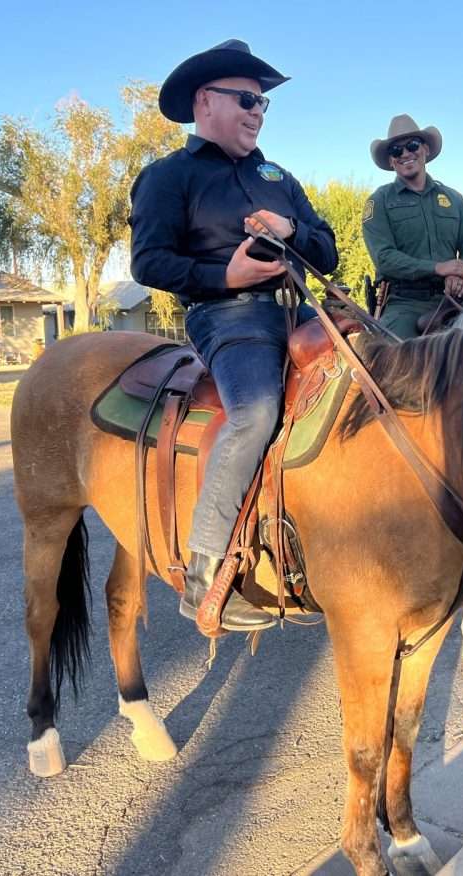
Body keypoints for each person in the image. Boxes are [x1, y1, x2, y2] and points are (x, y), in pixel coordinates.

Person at [129, 40, 339, 632]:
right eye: (247, 99)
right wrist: (225, 275)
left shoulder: (279, 177)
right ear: (205, 102)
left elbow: (330, 252)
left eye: (263, 105)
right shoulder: (169, 177)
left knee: (372, 388)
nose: (257, 112)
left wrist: (292, 228)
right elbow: (148, 263)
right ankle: (204, 573)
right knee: (256, 411)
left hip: (300, 310)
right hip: (228, 316)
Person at [362, 114, 463, 339]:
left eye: (412, 145)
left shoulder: (455, 199)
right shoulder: (379, 201)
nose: (406, 153)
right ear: (391, 161)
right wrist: (438, 268)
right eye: (396, 151)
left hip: (457, 299)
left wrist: (460, 275)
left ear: (425, 149)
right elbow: (384, 258)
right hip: (405, 304)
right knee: (389, 361)